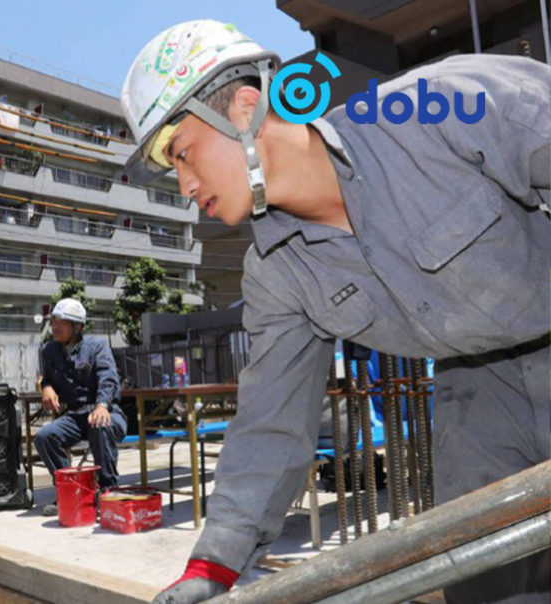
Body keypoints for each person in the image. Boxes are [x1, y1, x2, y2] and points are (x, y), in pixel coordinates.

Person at [119, 20, 549, 604]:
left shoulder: (440, 108)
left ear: (244, 110)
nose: (187, 186)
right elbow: (270, 422)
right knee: (478, 573)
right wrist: (214, 566)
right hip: (478, 392)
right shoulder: (278, 276)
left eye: (185, 155)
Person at [34, 298, 127, 516]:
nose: (54, 327)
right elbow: (47, 379)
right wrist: (46, 388)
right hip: (76, 416)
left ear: (77, 327)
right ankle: (72, 493)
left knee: (99, 424)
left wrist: (102, 405)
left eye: (61, 322)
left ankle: (107, 492)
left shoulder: (97, 347)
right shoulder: (50, 351)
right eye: (53, 321)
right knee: (45, 437)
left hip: (108, 412)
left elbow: (109, 379)